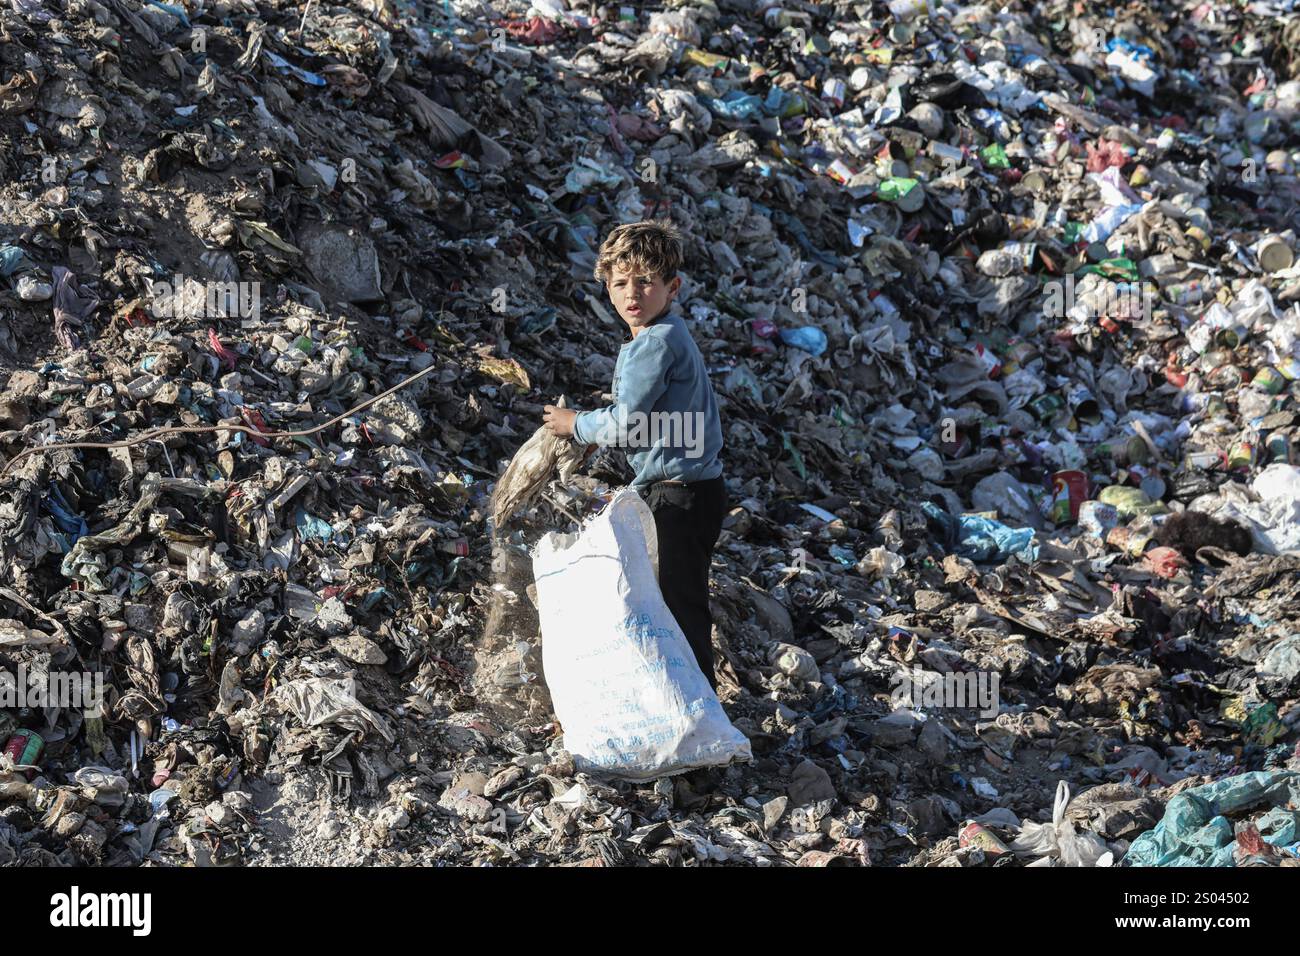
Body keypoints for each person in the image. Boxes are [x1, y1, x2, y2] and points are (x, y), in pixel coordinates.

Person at [541, 220, 727, 690]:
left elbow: (627, 424)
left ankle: (697, 727)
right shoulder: (671, 333)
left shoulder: (654, 343)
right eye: (620, 282)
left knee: (678, 611)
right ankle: (687, 710)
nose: (632, 294)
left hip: (676, 499)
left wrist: (576, 425)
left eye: (645, 281)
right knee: (680, 605)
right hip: (696, 492)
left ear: (672, 286)